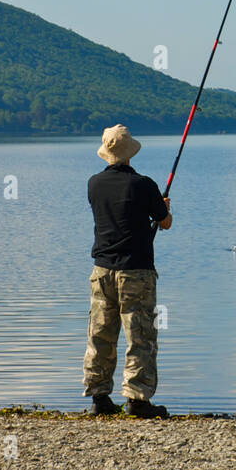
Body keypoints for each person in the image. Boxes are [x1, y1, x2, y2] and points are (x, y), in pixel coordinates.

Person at [84, 124, 173, 418]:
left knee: (100, 333)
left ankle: (99, 397)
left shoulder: (94, 183)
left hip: (102, 270)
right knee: (141, 335)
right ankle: (137, 399)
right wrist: (163, 208)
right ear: (129, 152)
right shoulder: (143, 184)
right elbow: (164, 222)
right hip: (135, 271)